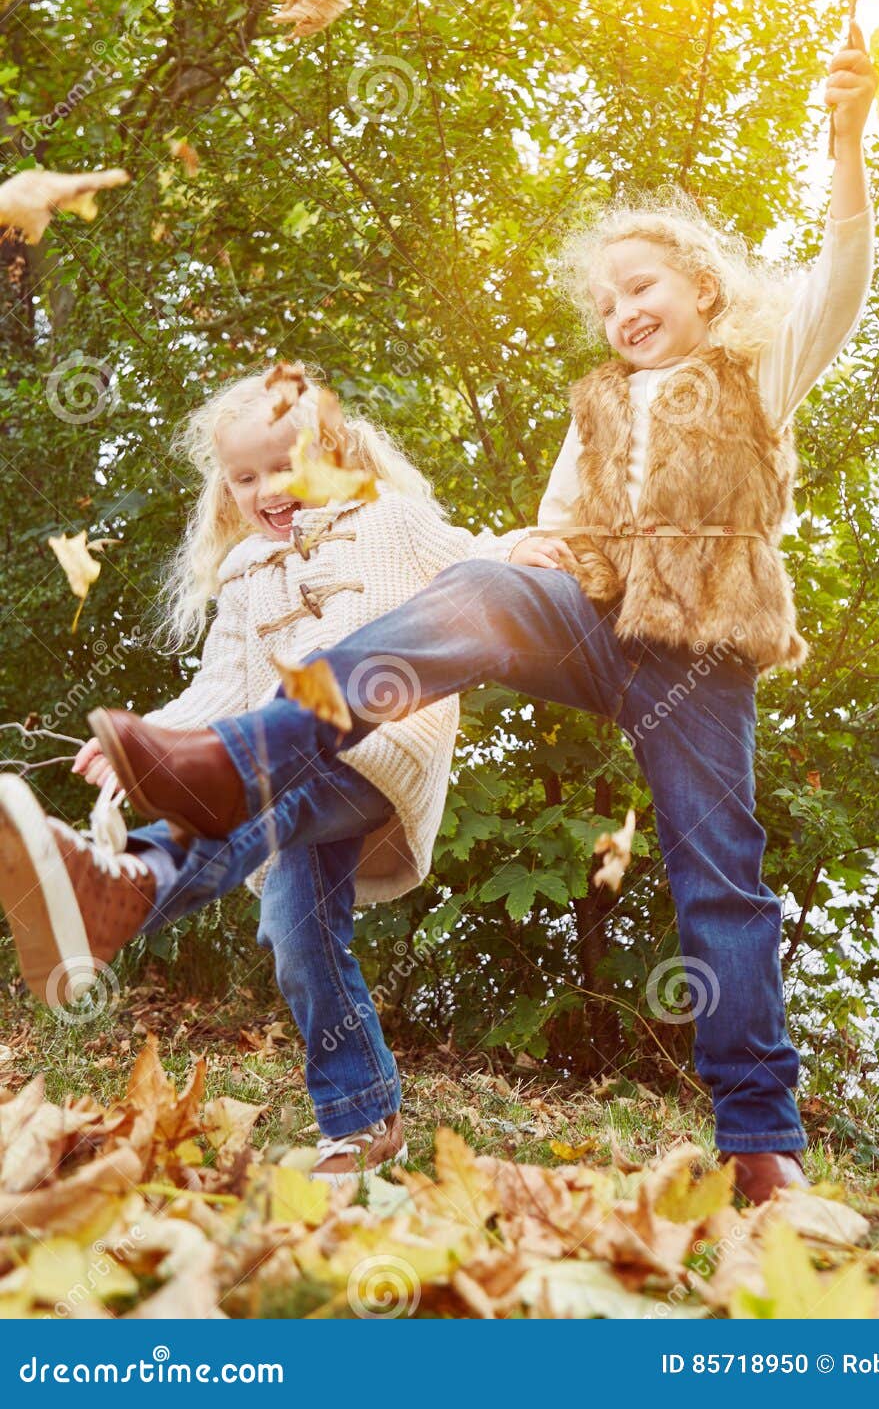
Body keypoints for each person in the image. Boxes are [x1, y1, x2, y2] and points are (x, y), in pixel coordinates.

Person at [2, 27, 877, 1199]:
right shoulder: (598, 405)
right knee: (478, 590)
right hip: (595, 623)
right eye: (606, 298)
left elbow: (841, 273)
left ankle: (761, 1146)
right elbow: (552, 533)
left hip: (698, 656)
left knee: (719, 873)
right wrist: (530, 549)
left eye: (642, 285)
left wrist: (845, 141)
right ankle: (236, 762)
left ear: (704, 289)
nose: (620, 310)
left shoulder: (755, 375)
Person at [0, 361, 541, 1180]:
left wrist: (531, 549)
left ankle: (121, 886)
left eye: (281, 466)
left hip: (376, 749)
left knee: (261, 799)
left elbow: (474, 562)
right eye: (243, 476)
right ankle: (365, 1121)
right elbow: (217, 687)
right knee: (298, 938)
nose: (264, 489)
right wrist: (137, 742)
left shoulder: (389, 519)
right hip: (269, 768)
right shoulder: (247, 574)